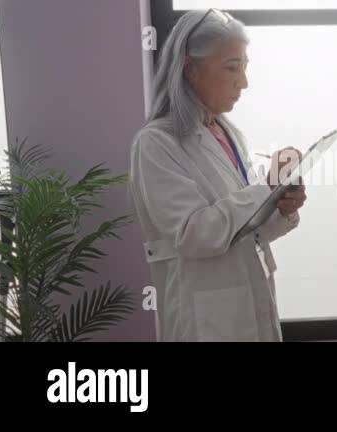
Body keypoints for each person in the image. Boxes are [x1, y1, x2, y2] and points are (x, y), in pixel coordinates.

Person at [129, 9, 307, 342]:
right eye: (231, 68)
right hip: (203, 319)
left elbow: (245, 227)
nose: (244, 81)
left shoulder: (226, 133)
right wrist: (265, 187)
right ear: (190, 68)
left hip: (250, 301)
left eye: (245, 66)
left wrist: (280, 205)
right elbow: (195, 234)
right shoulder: (155, 143)